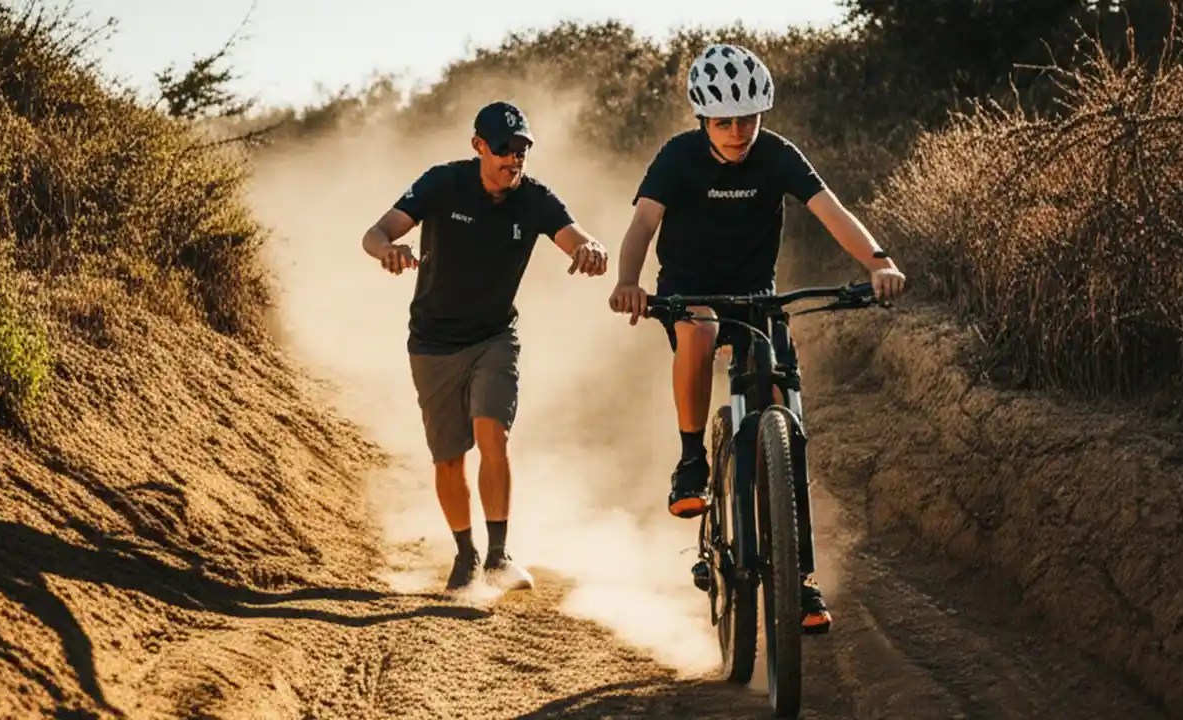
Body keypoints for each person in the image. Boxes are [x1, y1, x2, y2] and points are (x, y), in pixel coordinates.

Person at [607, 44, 906, 633]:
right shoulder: (677, 157)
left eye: (748, 118)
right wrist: (627, 282)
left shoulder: (776, 155)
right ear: (702, 120)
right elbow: (643, 223)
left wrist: (880, 263)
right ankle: (692, 461)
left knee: (786, 426)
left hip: (757, 294)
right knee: (703, 327)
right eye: (724, 121)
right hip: (688, 290)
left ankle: (801, 583)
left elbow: (832, 211)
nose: (739, 132)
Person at [362, 101, 609, 592]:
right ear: (478, 146)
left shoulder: (535, 199)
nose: (513, 159)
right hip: (432, 342)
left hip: (495, 337)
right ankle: (466, 554)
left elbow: (577, 237)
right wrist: (388, 250)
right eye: (503, 149)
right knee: (448, 457)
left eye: (521, 150)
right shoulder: (442, 183)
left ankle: (499, 556)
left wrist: (591, 250)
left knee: (492, 432)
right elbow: (375, 232)